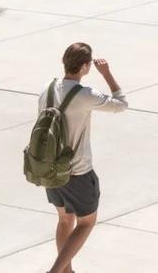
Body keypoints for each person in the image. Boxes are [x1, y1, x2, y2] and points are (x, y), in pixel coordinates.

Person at [37, 43, 128, 273]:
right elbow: (121, 105)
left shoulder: (47, 88)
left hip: (48, 168)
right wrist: (107, 74)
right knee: (86, 222)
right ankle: (56, 271)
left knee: (65, 219)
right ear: (86, 66)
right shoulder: (85, 95)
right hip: (77, 171)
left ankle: (67, 271)